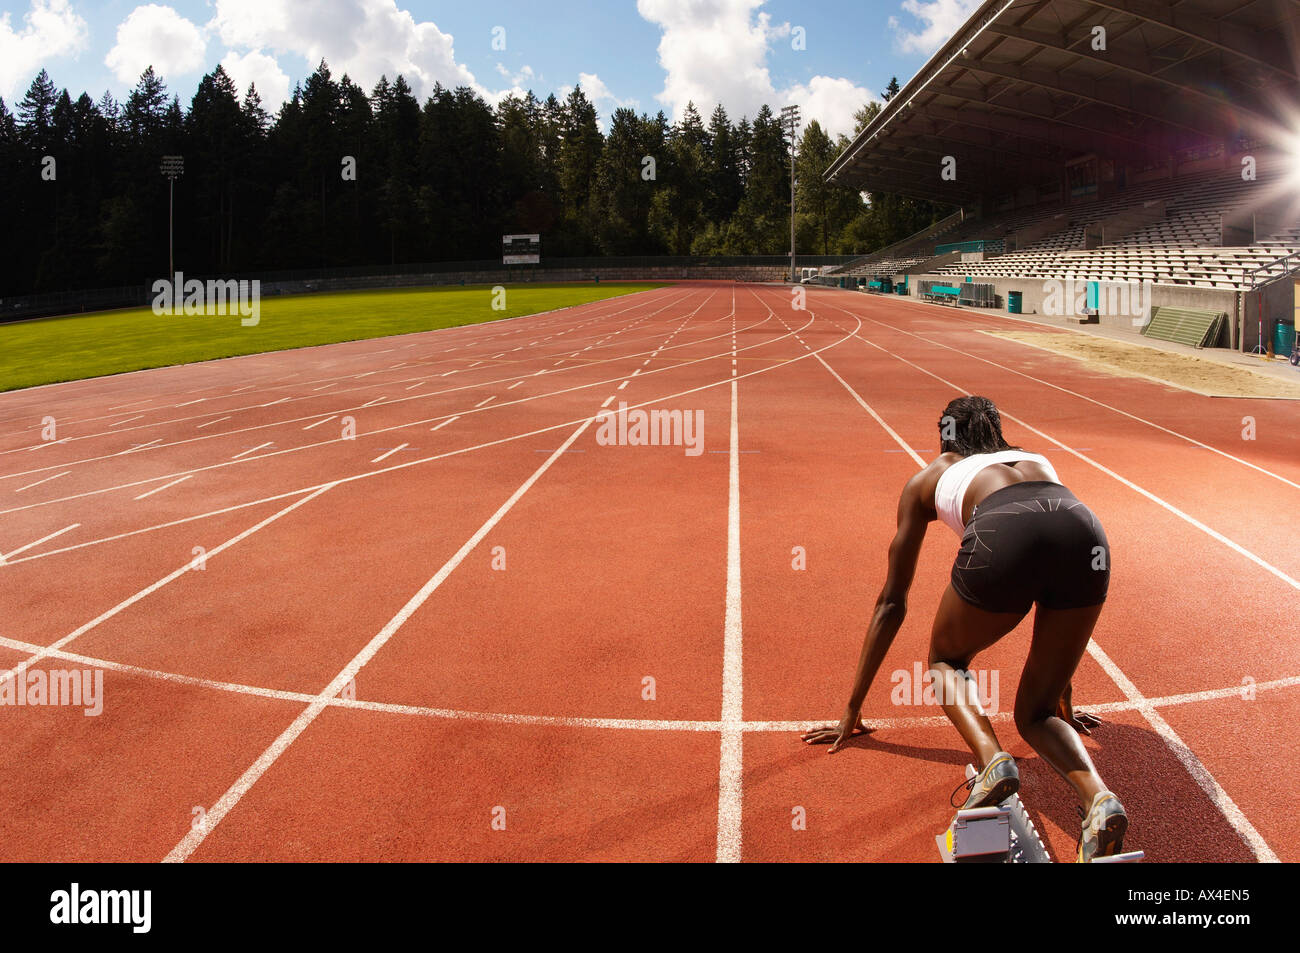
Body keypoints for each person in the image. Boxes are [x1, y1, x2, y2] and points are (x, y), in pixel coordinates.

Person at [801, 395, 1129, 862]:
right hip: (1085, 531)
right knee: (1037, 714)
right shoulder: (1035, 459)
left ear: (944, 435)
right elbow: (1052, 570)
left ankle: (993, 761)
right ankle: (1099, 799)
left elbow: (892, 601)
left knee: (945, 660)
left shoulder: (928, 479)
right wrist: (1063, 698)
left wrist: (852, 708)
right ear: (997, 430)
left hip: (1004, 534)